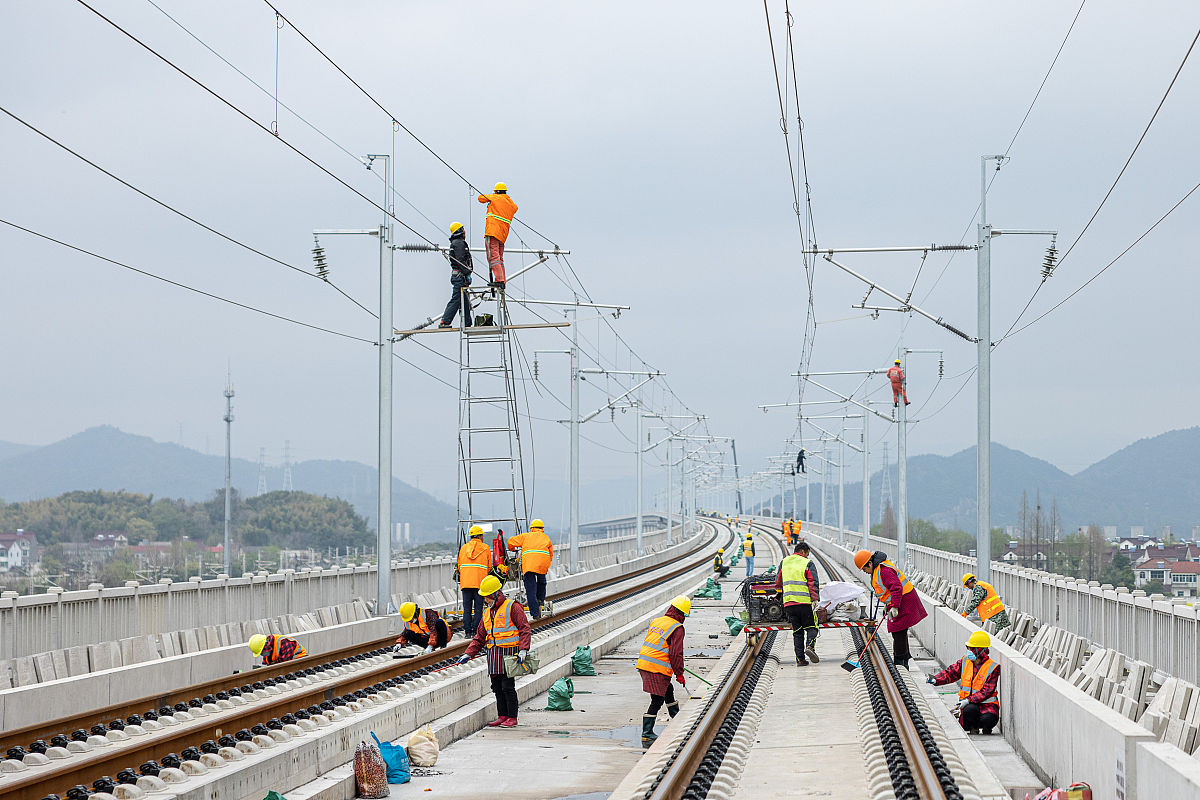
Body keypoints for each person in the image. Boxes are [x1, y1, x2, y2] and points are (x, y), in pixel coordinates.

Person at [459, 575, 532, 728]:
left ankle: (512, 717)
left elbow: (524, 629)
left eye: (486, 597)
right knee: (497, 687)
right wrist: (468, 653)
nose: (485, 600)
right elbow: (480, 636)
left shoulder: (513, 607)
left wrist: (523, 649)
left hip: (509, 654)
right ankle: (502, 715)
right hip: (494, 655)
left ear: (494, 594)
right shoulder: (487, 613)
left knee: (507, 687)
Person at [854, 549, 927, 669]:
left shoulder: (884, 571)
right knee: (898, 631)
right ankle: (903, 660)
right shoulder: (876, 570)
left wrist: (895, 606)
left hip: (905, 599)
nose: (865, 572)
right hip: (899, 600)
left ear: (870, 563)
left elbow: (897, 588)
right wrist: (887, 605)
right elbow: (888, 590)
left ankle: (900, 662)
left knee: (898, 630)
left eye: (865, 569)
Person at [637, 595, 691, 747]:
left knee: (668, 690)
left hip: (644, 664)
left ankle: (678, 722)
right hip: (656, 667)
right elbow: (676, 654)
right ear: (681, 614)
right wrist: (679, 673)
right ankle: (647, 734)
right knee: (657, 699)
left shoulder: (657, 621)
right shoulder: (677, 628)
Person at [927, 631, 1000, 734]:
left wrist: (968, 700)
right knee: (969, 710)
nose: (969, 651)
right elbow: (951, 673)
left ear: (979, 650)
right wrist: (936, 679)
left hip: (987, 706)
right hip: (971, 707)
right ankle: (973, 728)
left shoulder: (992, 667)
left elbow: (986, 691)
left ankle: (986, 728)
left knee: (988, 719)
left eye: (971, 649)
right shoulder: (965, 662)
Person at [776, 540, 821, 665]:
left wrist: (781, 595)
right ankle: (810, 647)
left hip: (789, 603)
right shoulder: (807, 563)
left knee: (797, 632)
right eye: (807, 554)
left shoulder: (784, 562)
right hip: (805, 603)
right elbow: (813, 583)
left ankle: (800, 660)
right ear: (803, 551)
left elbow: (778, 582)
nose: (807, 556)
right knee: (812, 627)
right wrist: (815, 599)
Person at [507, 519, 553, 619]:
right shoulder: (546, 538)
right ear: (542, 529)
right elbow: (550, 554)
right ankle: (540, 600)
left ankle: (535, 613)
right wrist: (546, 564)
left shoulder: (525, 536)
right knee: (542, 581)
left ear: (531, 528)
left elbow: (510, 541)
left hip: (528, 565)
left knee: (530, 589)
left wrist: (512, 549)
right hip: (542, 564)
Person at [476, 182, 518, 289]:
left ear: (497, 191)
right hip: (502, 235)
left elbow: (480, 198)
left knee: (493, 257)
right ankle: (502, 280)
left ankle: (499, 280)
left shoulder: (495, 198)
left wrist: (492, 197)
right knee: (500, 258)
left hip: (492, 231)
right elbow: (515, 208)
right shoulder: (510, 204)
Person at [456, 525, 493, 637]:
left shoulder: (463, 548)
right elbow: (489, 567)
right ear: (480, 536)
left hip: (466, 583)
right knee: (478, 608)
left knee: (467, 608)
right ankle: (476, 631)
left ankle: (467, 632)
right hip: (479, 583)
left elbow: (459, 566)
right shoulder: (485, 548)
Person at [438, 222, 473, 328]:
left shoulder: (457, 242)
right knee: (457, 298)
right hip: (460, 276)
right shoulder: (458, 243)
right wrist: (467, 272)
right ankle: (445, 321)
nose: (465, 231)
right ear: (460, 231)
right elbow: (460, 260)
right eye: (463, 229)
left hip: (459, 276)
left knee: (464, 299)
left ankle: (467, 323)